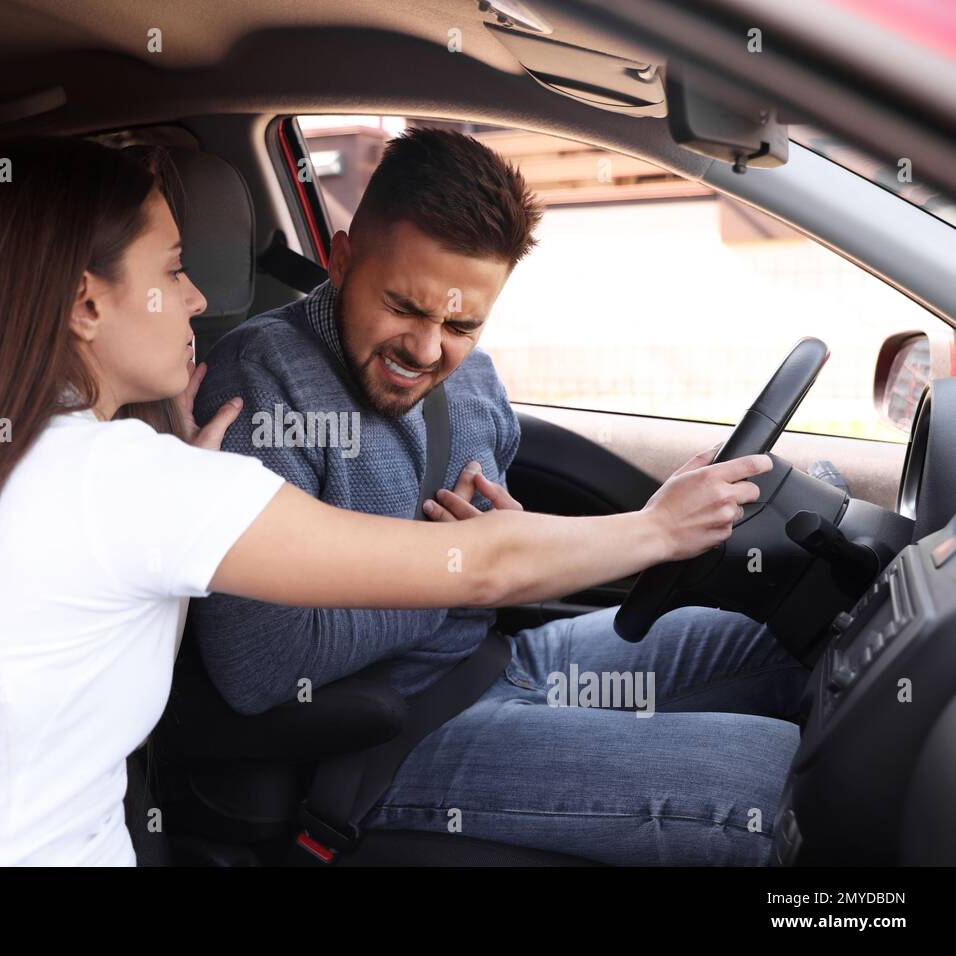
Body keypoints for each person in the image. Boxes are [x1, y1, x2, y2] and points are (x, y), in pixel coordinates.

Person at [0, 136, 768, 866]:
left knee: (750, 651)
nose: (200, 296)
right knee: (770, 787)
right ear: (88, 303)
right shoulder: (132, 479)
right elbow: (478, 568)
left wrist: (188, 489)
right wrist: (654, 526)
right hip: (361, 742)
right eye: (176, 269)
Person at [191, 127, 808, 866]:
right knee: (776, 787)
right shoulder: (261, 387)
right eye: (403, 308)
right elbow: (259, 667)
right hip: (383, 741)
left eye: (460, 323)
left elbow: (492, 559)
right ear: (342, 257)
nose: (426, 350)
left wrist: (511, 546)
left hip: (495, 660)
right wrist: (472, 574)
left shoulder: (474, 382)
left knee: (789, 634)